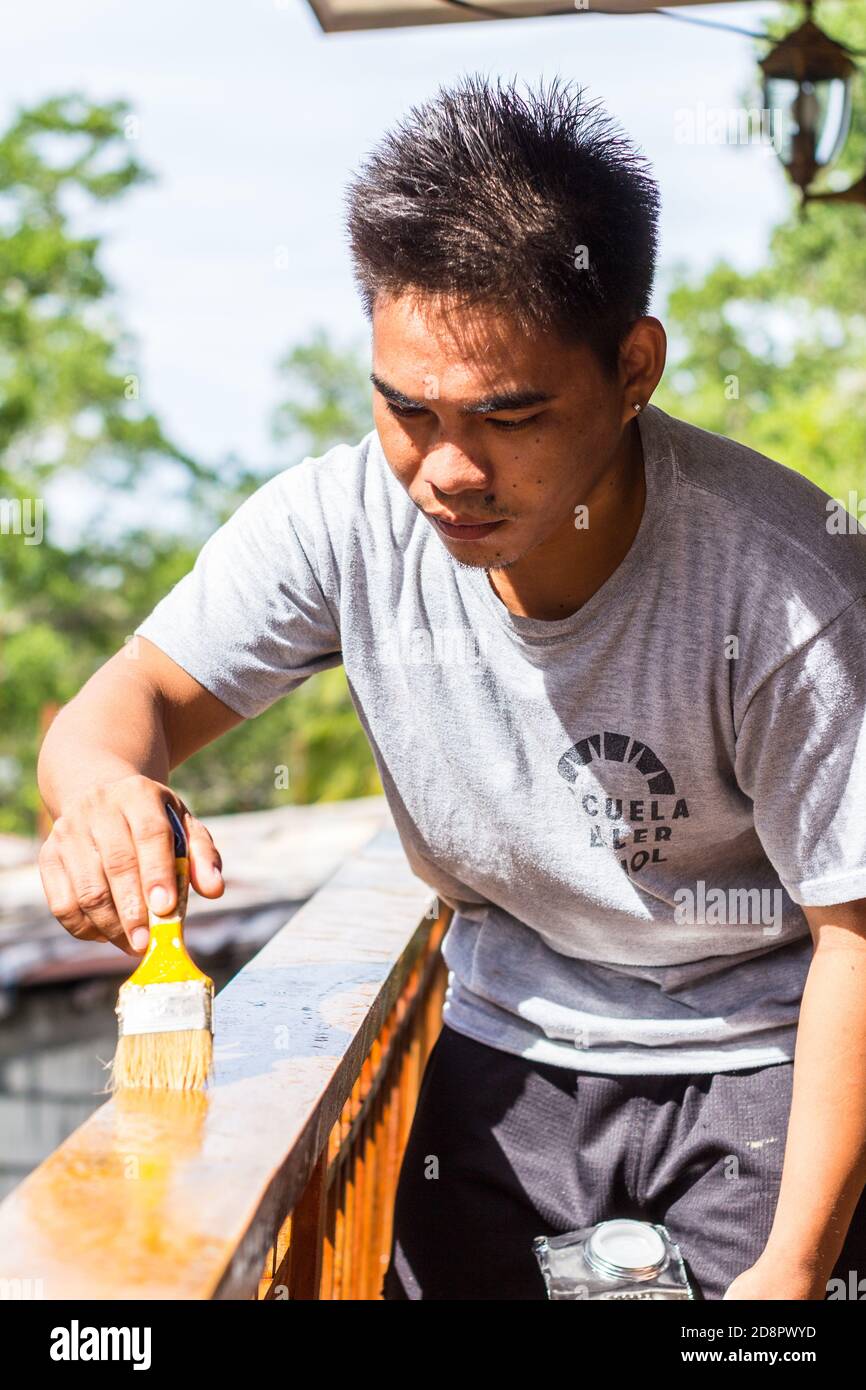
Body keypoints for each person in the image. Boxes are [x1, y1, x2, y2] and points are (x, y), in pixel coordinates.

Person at [37, 74, 866, 1301]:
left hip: (763, 1072)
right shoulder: (338, 520)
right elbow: (135, 695)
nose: (447, 471)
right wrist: (100, 788)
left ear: (632, 367)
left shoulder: (789, 586)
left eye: (510, 416)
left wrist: (792, 1266)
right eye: (405, 409)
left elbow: (857, 933)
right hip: (501, 1053)